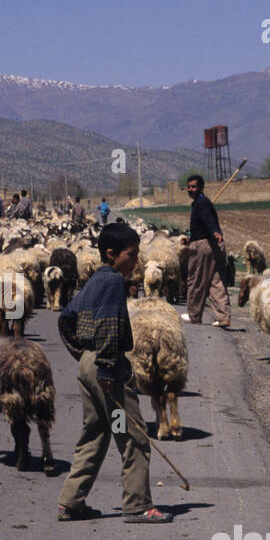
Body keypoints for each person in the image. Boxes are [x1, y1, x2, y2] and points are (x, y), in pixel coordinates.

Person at [56, 222, 174, 524]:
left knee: (96, 432)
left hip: (90, 368)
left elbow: (65, 318)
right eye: (131, 255)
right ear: (111, 254)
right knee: (131, 434)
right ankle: (137, 505)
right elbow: (109, 325)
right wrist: (107, 369)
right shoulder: (113, 283)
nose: (135, 261)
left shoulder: (95, 281)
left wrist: (83, 356)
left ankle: (71, 502)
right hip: (108, 374)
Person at [183, 174, 231, 328]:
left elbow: (208, 220)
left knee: (197, 280)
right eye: (189, 186)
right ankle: (223, 316)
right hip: (213, 245)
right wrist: (191, 239)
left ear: (201, 188)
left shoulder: (201, 203)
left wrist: (215, 231)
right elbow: (204, 223)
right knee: (216, 281)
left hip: (204, 246)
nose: (191, 189)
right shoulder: (202, 202)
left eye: (194, 186)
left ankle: (194, 315)